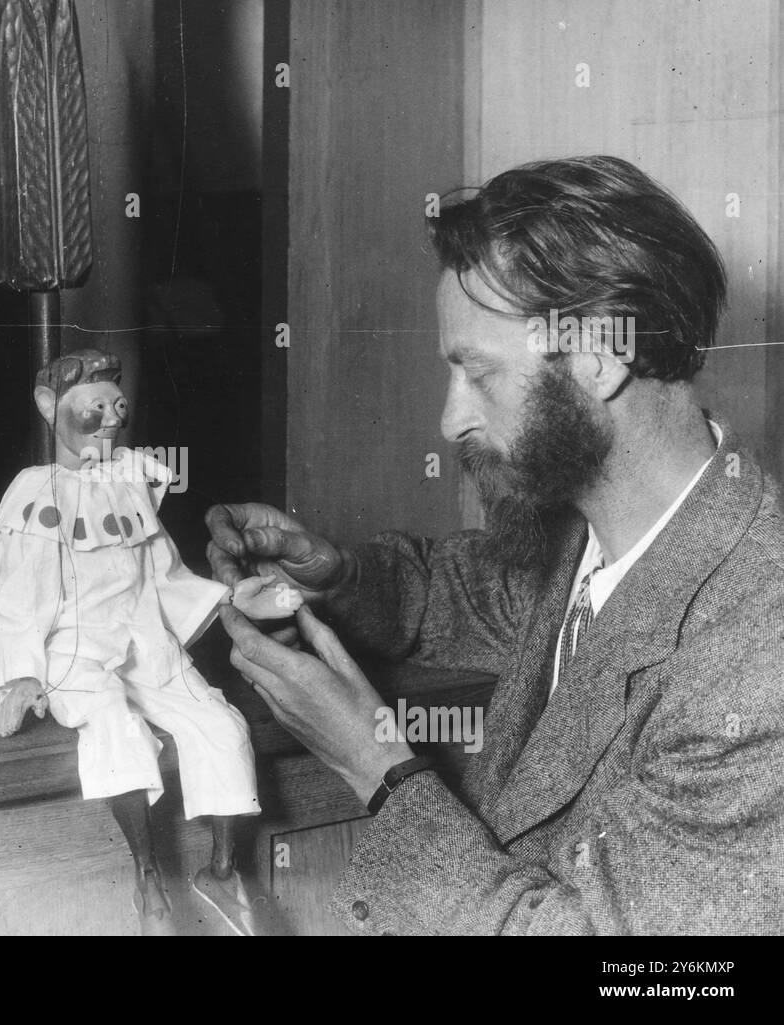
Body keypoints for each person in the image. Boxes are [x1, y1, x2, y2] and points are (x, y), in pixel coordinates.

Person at [207, 155, 784, 934]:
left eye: (478, 373)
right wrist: (334, 575)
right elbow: (461, 590)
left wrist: (374, 765)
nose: (451, 421)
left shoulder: (757, 657)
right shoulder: (601, 539)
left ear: (602, 354)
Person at [0, 349, 298, 935]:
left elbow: (165, 573)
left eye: (117, 406)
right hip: (75, 654)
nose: (111, 419)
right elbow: (13, 596)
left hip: (146, 640)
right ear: (49, 406)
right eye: (94, 407)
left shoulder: (132, 479)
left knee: (221, 727)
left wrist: (232, 598)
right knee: (118, 731)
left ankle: (224, 870)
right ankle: (148, 879)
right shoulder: (35, 491)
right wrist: (22, 672)